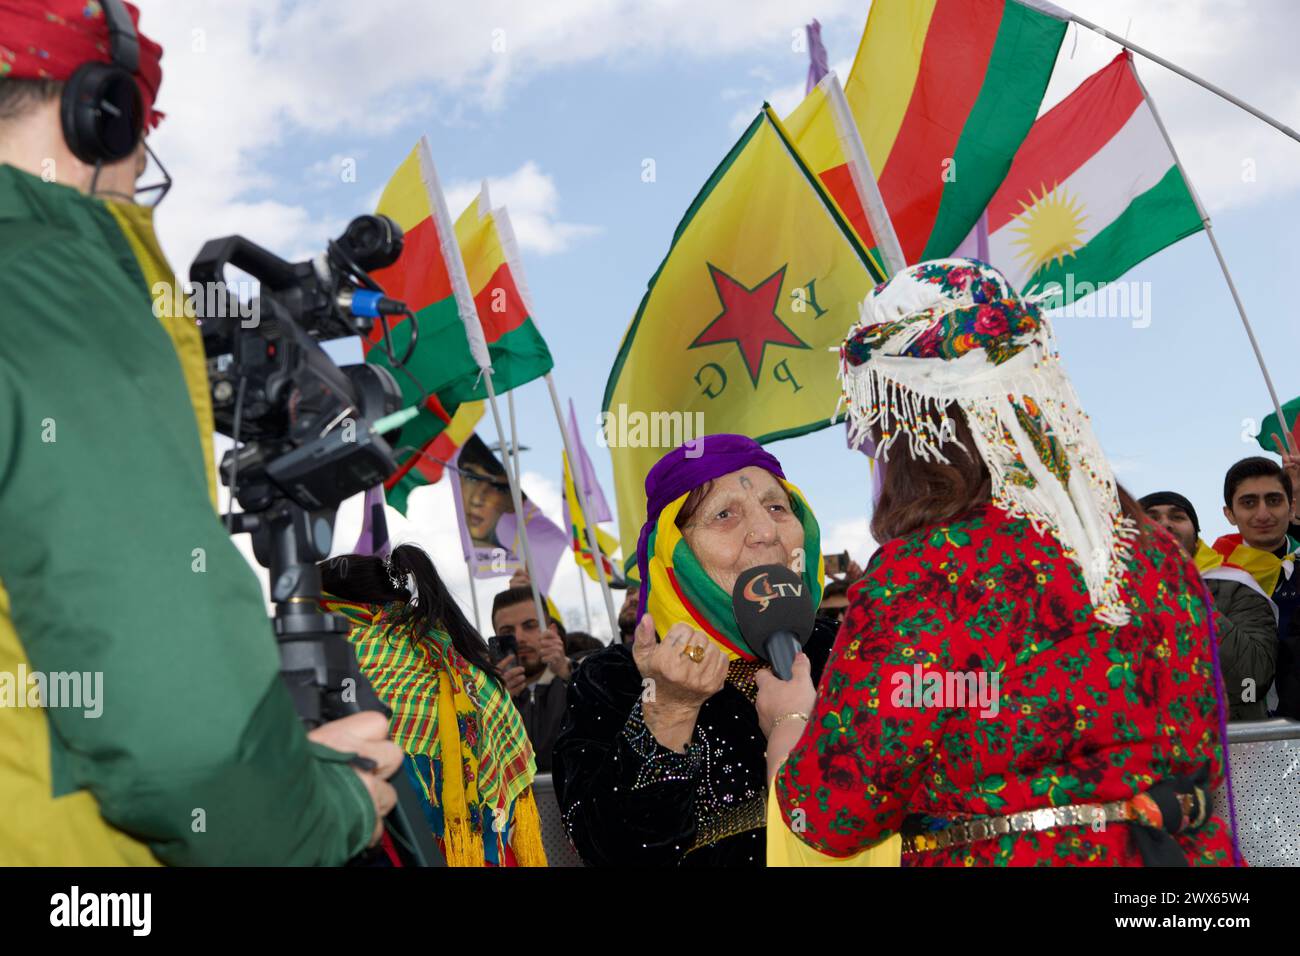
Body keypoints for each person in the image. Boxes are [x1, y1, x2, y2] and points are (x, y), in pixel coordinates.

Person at [0, 0, 395, 865]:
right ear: (97, 113)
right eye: (140, 149)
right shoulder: (46, 281)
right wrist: (314, 811)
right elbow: (179, 734)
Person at [757, 258, 1235, 867]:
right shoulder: (1153, 553)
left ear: (908, 426)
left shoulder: (925, 572)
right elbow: (1201, 753)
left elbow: (836, 813)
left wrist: (791, 723)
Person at [552, 435, 837, 866]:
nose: (765, 532)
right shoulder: (619, 679)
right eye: (724, 514)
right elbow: (608, 850)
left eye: (778, 507)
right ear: (674, 549)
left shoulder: (852, 648)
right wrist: (668, 713)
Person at [320, 547, 546, 866]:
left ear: (338, 608)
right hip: (485, 849)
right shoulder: (459, 657)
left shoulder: (354, 655)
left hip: (396, 846)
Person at [1140, 491, 1276, 720]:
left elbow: (1252, 680)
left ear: (1196, 536)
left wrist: (1188, 596)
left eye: (1177, 517)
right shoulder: (1106, 596)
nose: (1165, 524)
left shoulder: (1237, 586)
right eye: (1151, 518)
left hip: (1227, 744)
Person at [1212, 457, 1300, 718]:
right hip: (1244, 733)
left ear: (1291, 506)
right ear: (1229, 514)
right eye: (1249, 503)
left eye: (1273, 500)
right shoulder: (1211, 579)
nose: (1263, 514)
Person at [492, 586, 574, 772]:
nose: (519, 637)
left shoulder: (584, 675)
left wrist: (568, 674)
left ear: (551, 630)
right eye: (507, 631)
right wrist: (496, 703)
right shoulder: (486, 697)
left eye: (530, 626)